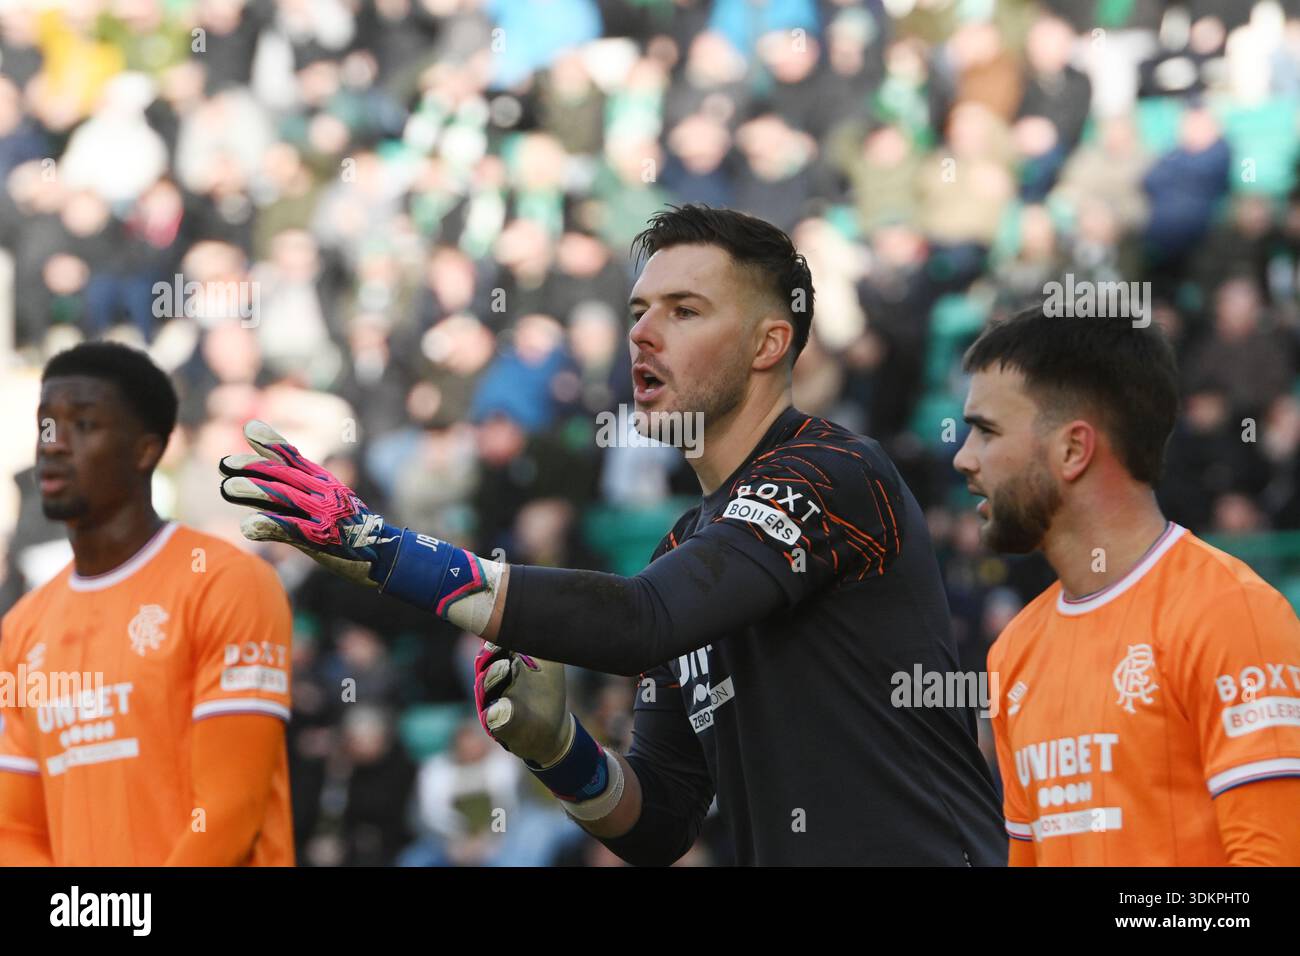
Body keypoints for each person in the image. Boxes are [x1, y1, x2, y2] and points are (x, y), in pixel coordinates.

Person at [219, 204, 1005, 865]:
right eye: (637, 313)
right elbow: (661, 820)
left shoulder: (833, 473)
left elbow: (638, 622)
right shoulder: (686, 548)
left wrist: (380, 549)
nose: (642, 335)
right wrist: (560, 750)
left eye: (684, 311)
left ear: (770, 344)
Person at [953, 306, 1300, 866]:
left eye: (986, 431)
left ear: (1073, 450)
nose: (963, 457)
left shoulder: (1232, 613)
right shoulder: (1013, 652)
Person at [0, 342, 294, 865]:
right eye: (46, 425)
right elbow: (17, 829)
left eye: (83, 425)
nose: (53, 445)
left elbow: (230, 811)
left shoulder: (228, 583)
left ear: (145, 450)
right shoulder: (22, 627)